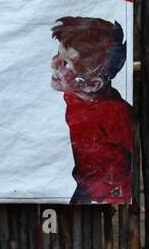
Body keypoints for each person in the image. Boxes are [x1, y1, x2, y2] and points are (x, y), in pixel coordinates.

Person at [49, 16, 133, 204]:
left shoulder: (115, 114)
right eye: (58, 54)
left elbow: (135, 153)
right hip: (84, 185)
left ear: (93, 84)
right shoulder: (73, 96)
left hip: (110, 193)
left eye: (66, 64)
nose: (54, 63)